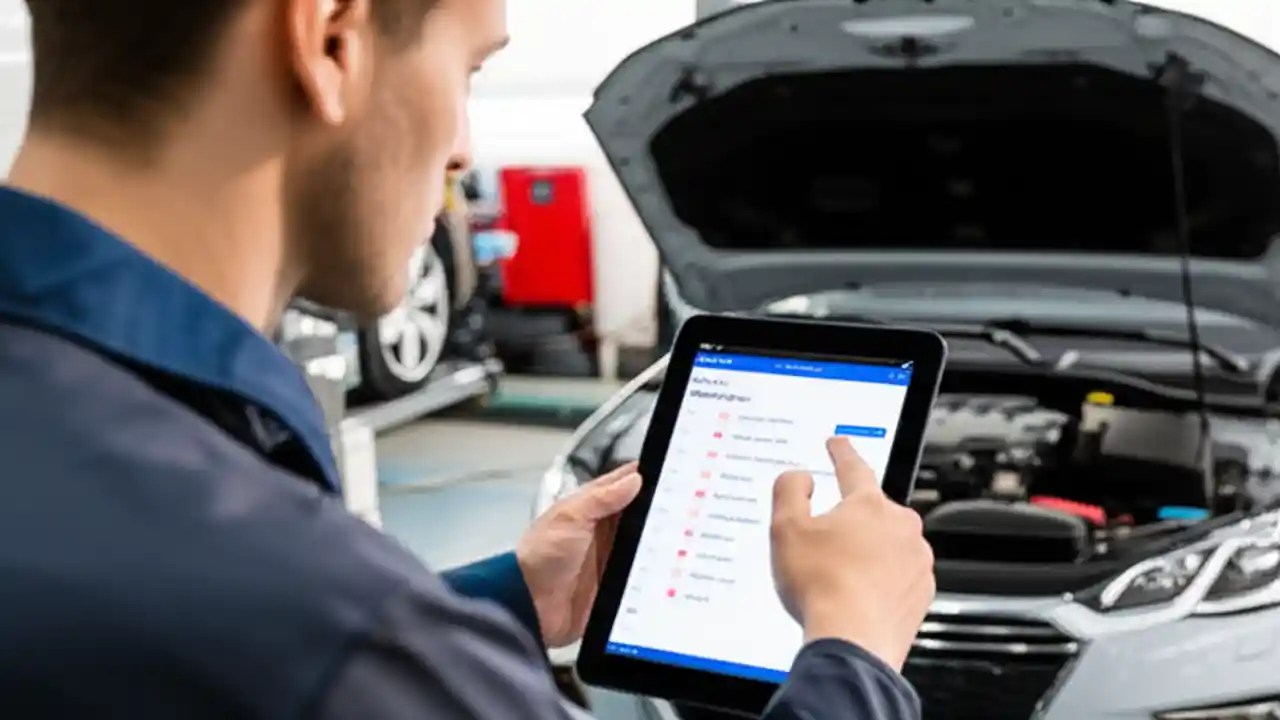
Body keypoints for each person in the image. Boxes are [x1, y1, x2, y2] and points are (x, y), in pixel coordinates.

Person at [0, 0, 935, 717]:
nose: (462, 149)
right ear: (330, 39)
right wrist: (852, 650)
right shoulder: (317, 620)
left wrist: (497, 607)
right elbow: (298, 635)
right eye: (470, 71)